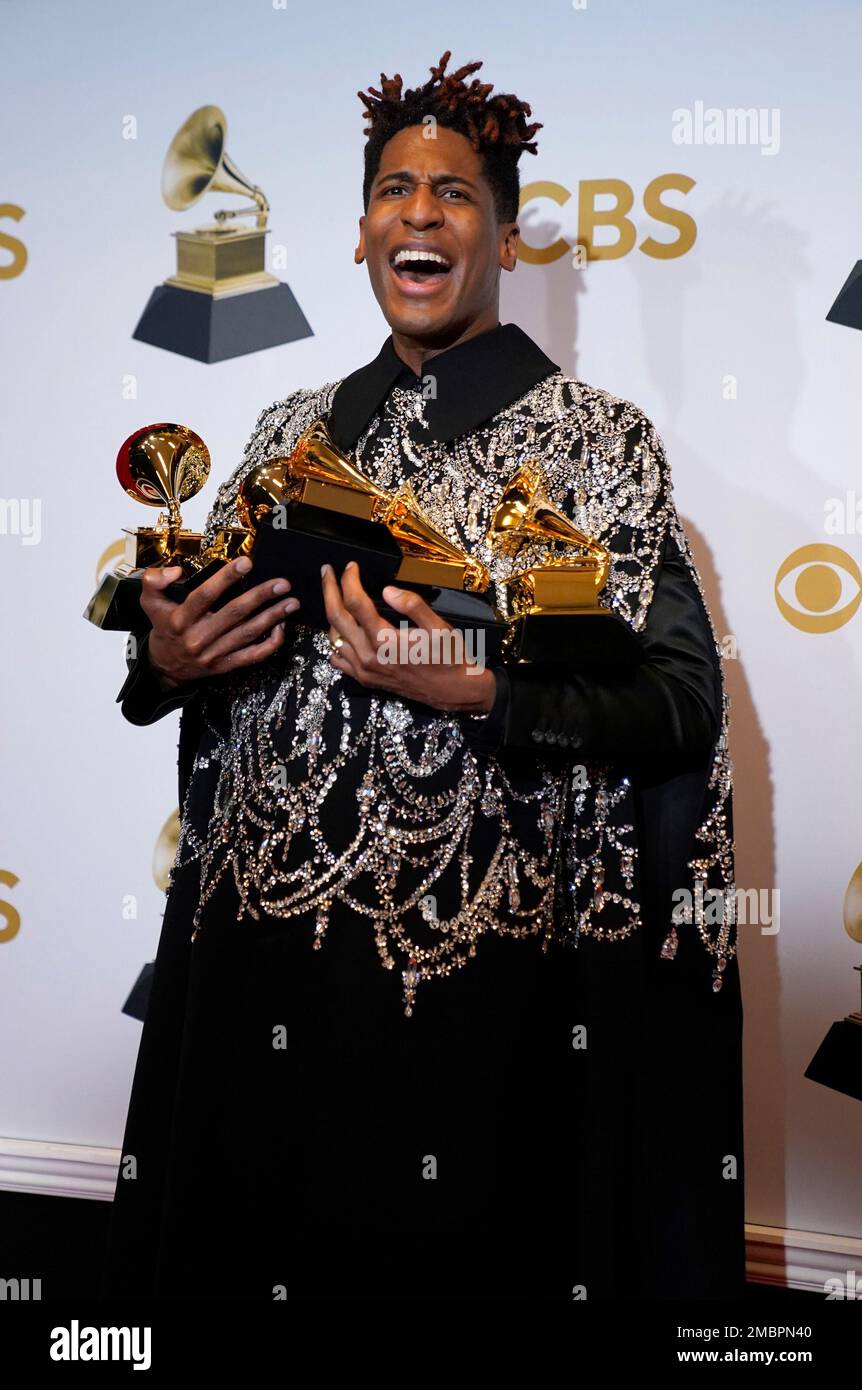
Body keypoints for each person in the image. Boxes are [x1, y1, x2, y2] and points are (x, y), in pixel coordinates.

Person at [100, 51, 744, 1302]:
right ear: (358, 236)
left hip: (478, 980)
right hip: (260, 954)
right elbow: (185, 656)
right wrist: (165, 657)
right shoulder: (285, 433)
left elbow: (677, 705)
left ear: (499, 232)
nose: (420, 213)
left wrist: (476, 690)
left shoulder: (597, 443)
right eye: (395, 189)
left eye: (453, 193)